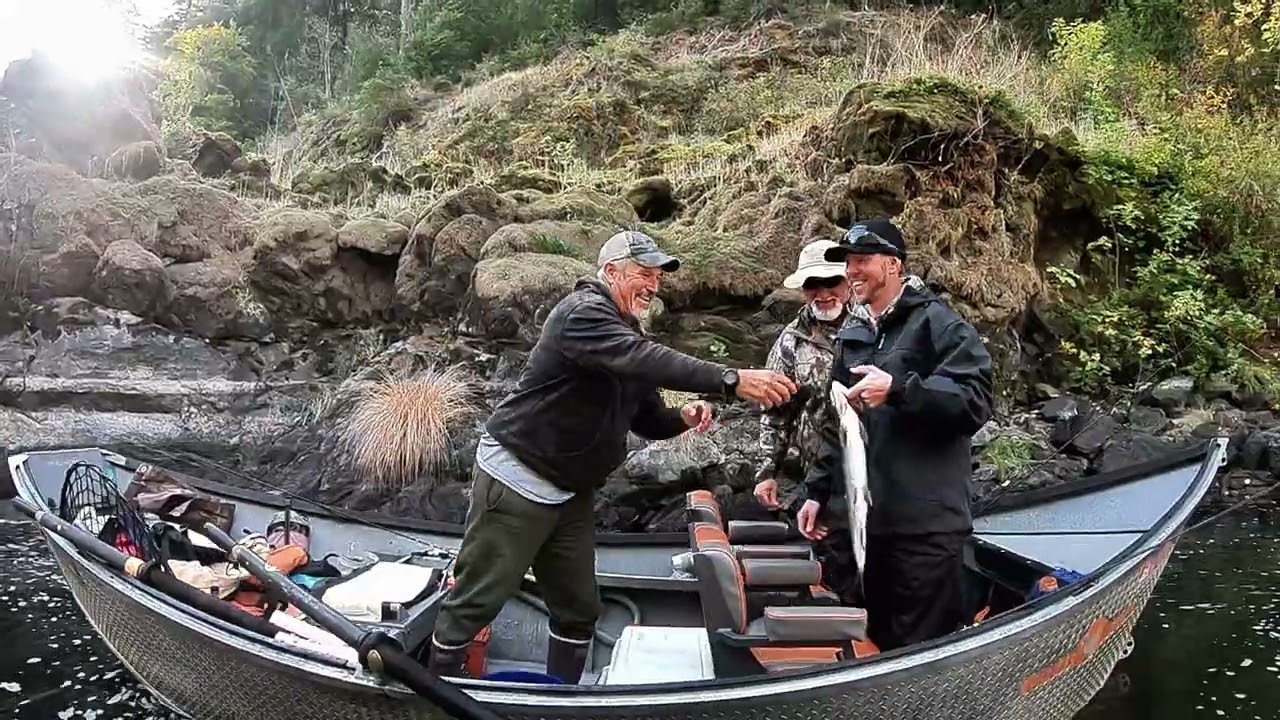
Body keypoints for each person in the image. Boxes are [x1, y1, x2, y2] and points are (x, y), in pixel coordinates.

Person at [427, 230, 798, 682]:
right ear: (610, 272)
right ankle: (434, 694)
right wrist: (730, 378)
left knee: (579, 610)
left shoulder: (625, 333)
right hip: (518, 479)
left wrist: (682, 416)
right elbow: (643, 357)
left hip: (571, 491)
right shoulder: (583, 314)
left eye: (658, 277)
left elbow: (647, 419)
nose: (653, 285)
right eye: (643, 274)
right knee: (476, 601)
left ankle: (560, 701)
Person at [796, 217, 994, 652]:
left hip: (927, 533)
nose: (852, 270)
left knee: (923, 656)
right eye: (848, 262)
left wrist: (901, 389)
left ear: (893, 264)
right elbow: (837, 424)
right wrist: (816, 492)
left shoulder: (938, 323)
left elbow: (976, 401)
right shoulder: (853, 335)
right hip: (868, 532)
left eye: (863, 260)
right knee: (875, 650)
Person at [750, 238, 861, 602]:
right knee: (835, 565)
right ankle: (844, 626)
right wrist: (766, 472)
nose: (823, 293)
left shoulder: (876, 328)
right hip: (816, 481)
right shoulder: (790, 342)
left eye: (831, 282)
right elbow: (774, 412)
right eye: (813, 284)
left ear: (848, 282)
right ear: (802, 290)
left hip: (874, 474)